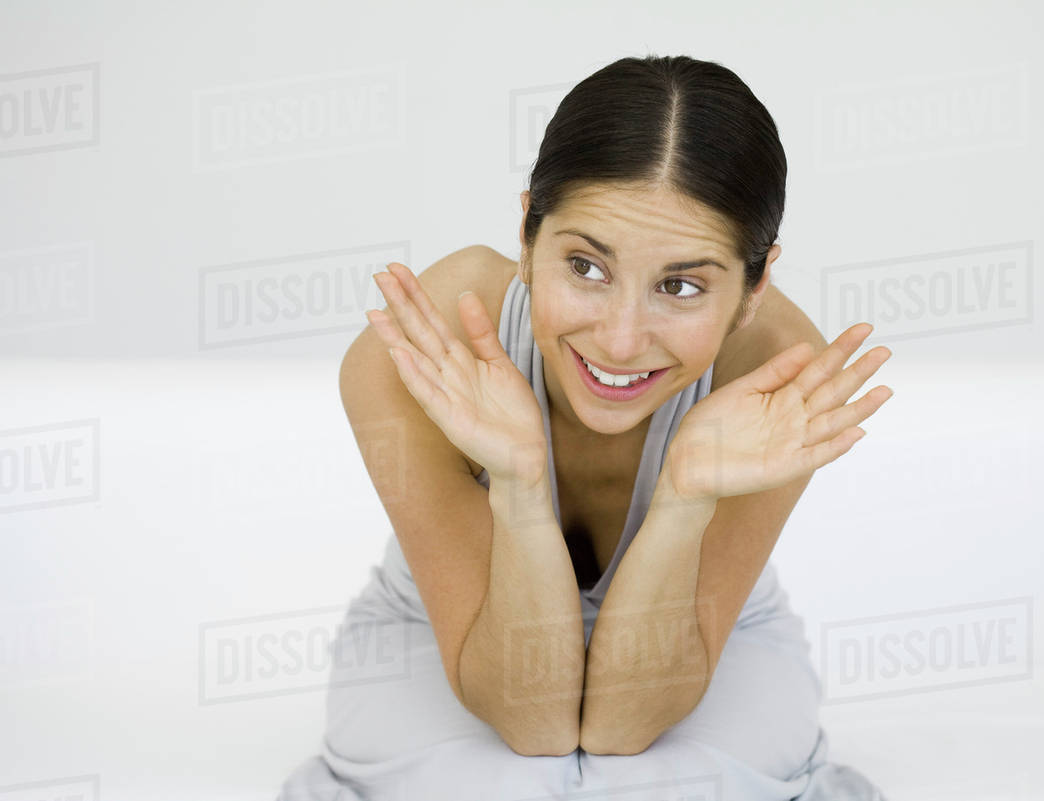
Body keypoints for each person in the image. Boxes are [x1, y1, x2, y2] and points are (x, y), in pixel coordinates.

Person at [279, 54, 893, 801]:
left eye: (681, 285)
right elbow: (528, 719)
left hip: (703, 635)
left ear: (755, 286)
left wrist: (687, 497)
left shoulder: (778, 382)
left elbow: (627, 724)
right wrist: (517, 482)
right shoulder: (422, 343)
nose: (621, 340)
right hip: (445, 620)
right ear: (527, 235)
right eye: (586, 267)